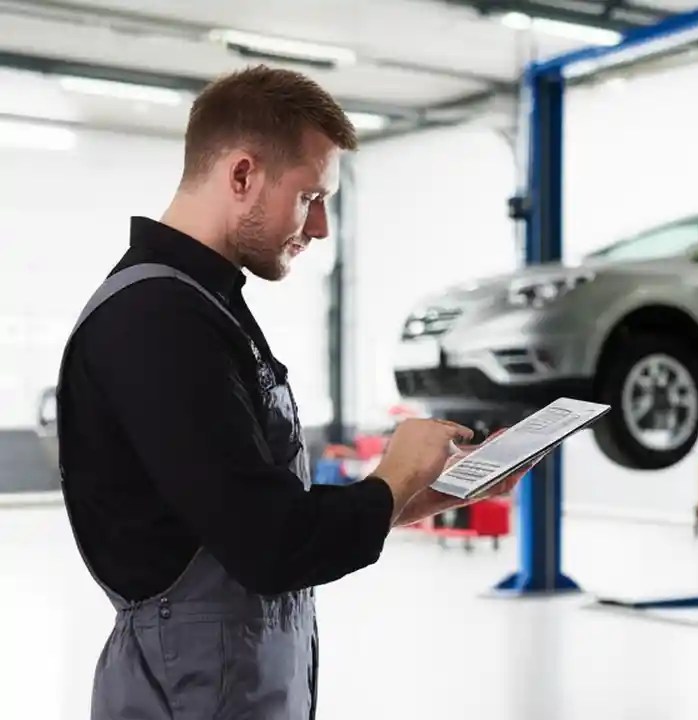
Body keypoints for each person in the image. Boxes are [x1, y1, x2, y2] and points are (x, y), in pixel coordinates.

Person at [55, 64, 527, 719]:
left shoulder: (203, 306)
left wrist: (435, 490)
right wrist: (394, 469)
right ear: (242, 175)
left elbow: (268, 517)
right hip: (188, 693)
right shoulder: (157, 319)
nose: (321, 228)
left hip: (229, 681)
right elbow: (271, 546)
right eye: (311, 197)